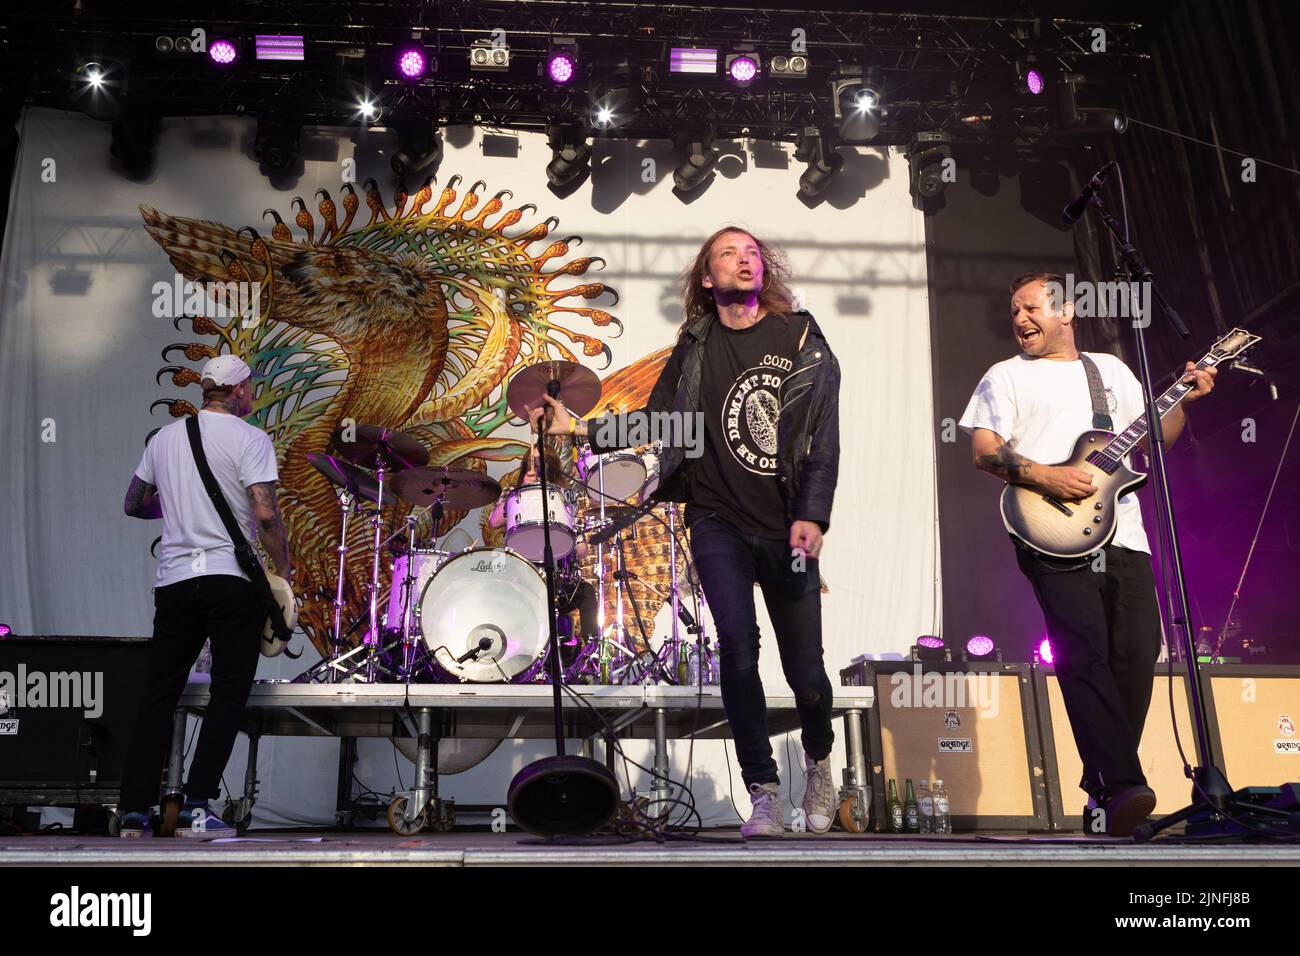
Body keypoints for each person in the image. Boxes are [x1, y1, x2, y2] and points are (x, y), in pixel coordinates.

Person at [532, 226, 841, 838]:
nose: (744, 260)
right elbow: (663, 421)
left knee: (806, 670)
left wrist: (813, 513)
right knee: (738, 645)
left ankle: (820, 760)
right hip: (715, 517)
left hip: (787, 524)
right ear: (707, 277)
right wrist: (582, 430)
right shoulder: (697, 342)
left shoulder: (801, 336)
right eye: (729, 253)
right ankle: (765, 793)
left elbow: (823, 438)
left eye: (752, 252)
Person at [960, 272, 1216, 836]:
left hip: (1123, 533)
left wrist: (1182, 398)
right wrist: (1046, 476)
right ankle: (1125, 783)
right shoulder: (1004, 376)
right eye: (1015, 312)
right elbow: (984, 451)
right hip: (1050, 534)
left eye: (1030, 308)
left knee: (1137, 652)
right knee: (1084, 653)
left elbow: (1160, 438)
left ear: (1066, 311)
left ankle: (1101, 784)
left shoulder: (1112, 371)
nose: (1020, 320)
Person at [118, 354, 293, 838]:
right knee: (228, 692)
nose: (251, 396)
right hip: (227, 580)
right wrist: (283, 566)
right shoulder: (251, 438)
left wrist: (176, 504)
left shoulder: (164, 438)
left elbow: (133, 503)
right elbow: (264, 512)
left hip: (174, 582)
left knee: (159, 694)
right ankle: (196, 806)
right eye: (250, 388)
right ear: (238, 391)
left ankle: (133, 812)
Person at [487, 445, 599, 672]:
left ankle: (592, 654)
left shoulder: (563, 495)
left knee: (586, 592)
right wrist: (521, 491)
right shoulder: (513, 490)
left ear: (552, 465)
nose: (536, 467)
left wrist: (576, 542)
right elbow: (494, 521)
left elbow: (581, 549)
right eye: (532, 462)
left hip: (557, 575)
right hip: (521, 575)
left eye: (541, 462)